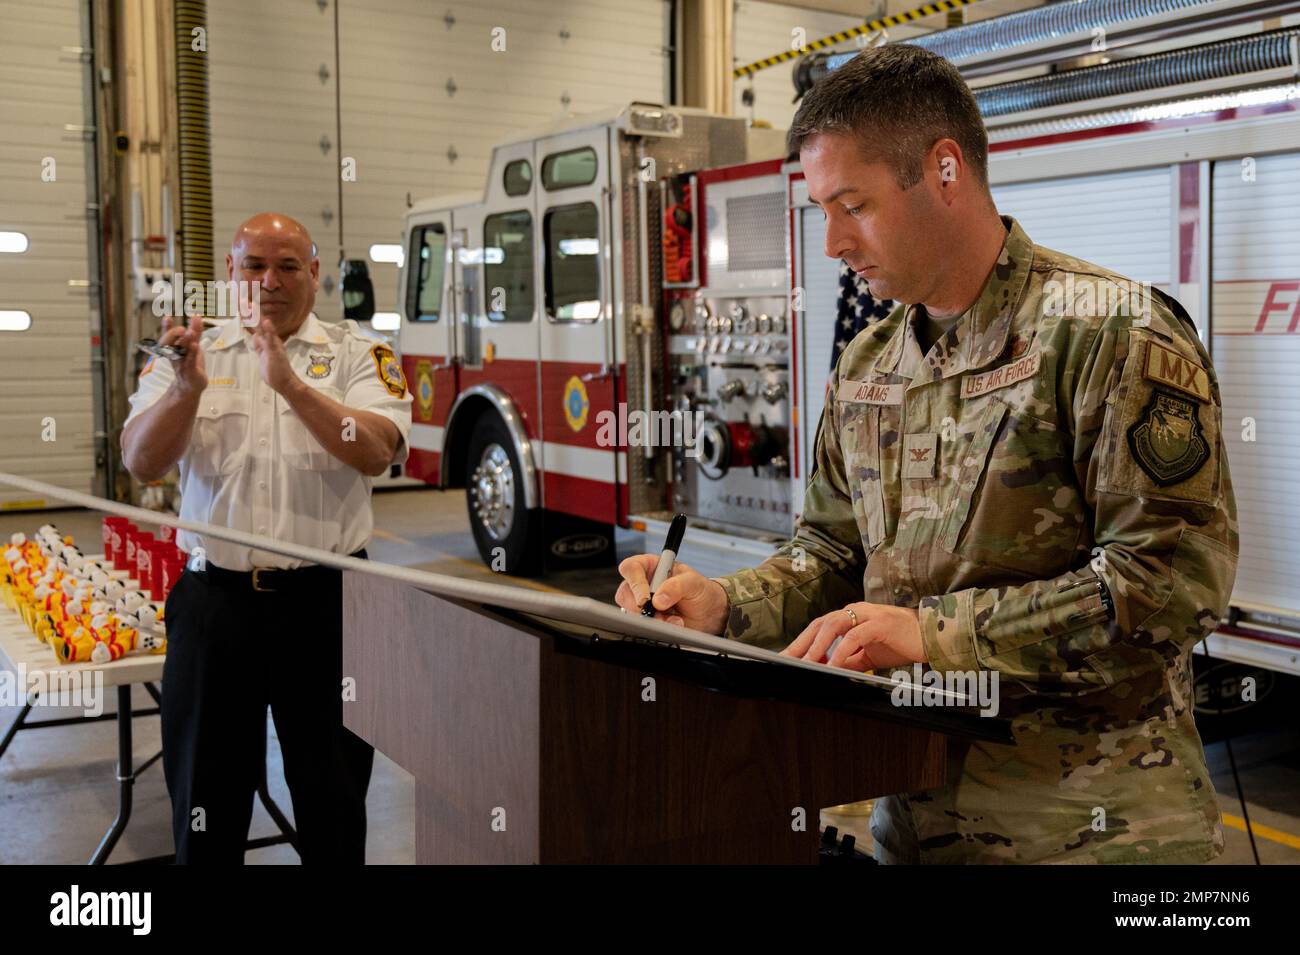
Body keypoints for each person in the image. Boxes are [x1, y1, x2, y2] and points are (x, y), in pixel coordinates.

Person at [614, 46, 1238, 864]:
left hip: (1094, 834)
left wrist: (933, 637)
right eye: (823, 209)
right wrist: (722, 605)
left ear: (945, 170)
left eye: (853, 205)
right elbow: (833, 553)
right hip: (914, 825)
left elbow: (1167, 588)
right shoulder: (870, 363)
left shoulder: (1111, 334)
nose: (832, 239)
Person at [121, 212, 412, 863]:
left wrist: (289, 384)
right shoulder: (190, 355)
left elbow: (374, 451)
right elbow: (140, 461)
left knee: (332, 801)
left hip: (326, 609)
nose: (270, 281)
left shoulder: (360, 353)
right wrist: (185, 393)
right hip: (213, 608)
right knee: (205, 804)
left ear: (314, 273)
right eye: (254, 265)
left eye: (287, 265)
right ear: (231, 273)